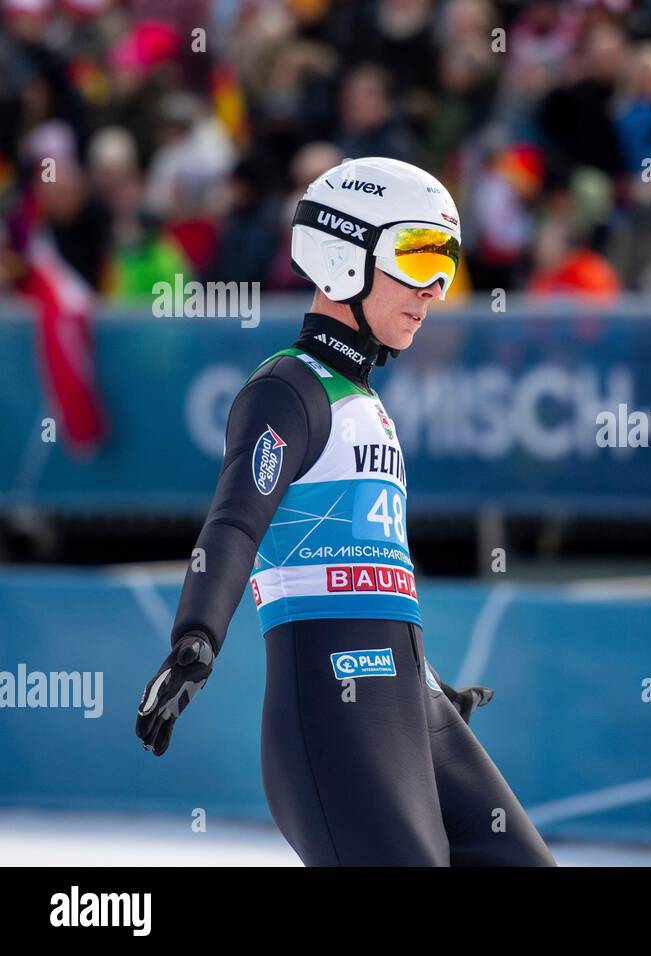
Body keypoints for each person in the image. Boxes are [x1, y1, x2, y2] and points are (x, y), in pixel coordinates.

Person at [134, 156, 556, 867]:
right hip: (335, 712)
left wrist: (429, 682)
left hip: (412, 712)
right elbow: (235, 521)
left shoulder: (367, 405)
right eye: (419, 256)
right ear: (344, 255)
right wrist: (196, 638)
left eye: (446, 266)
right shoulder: (287, 388)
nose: (434, 290)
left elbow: (373, 575)